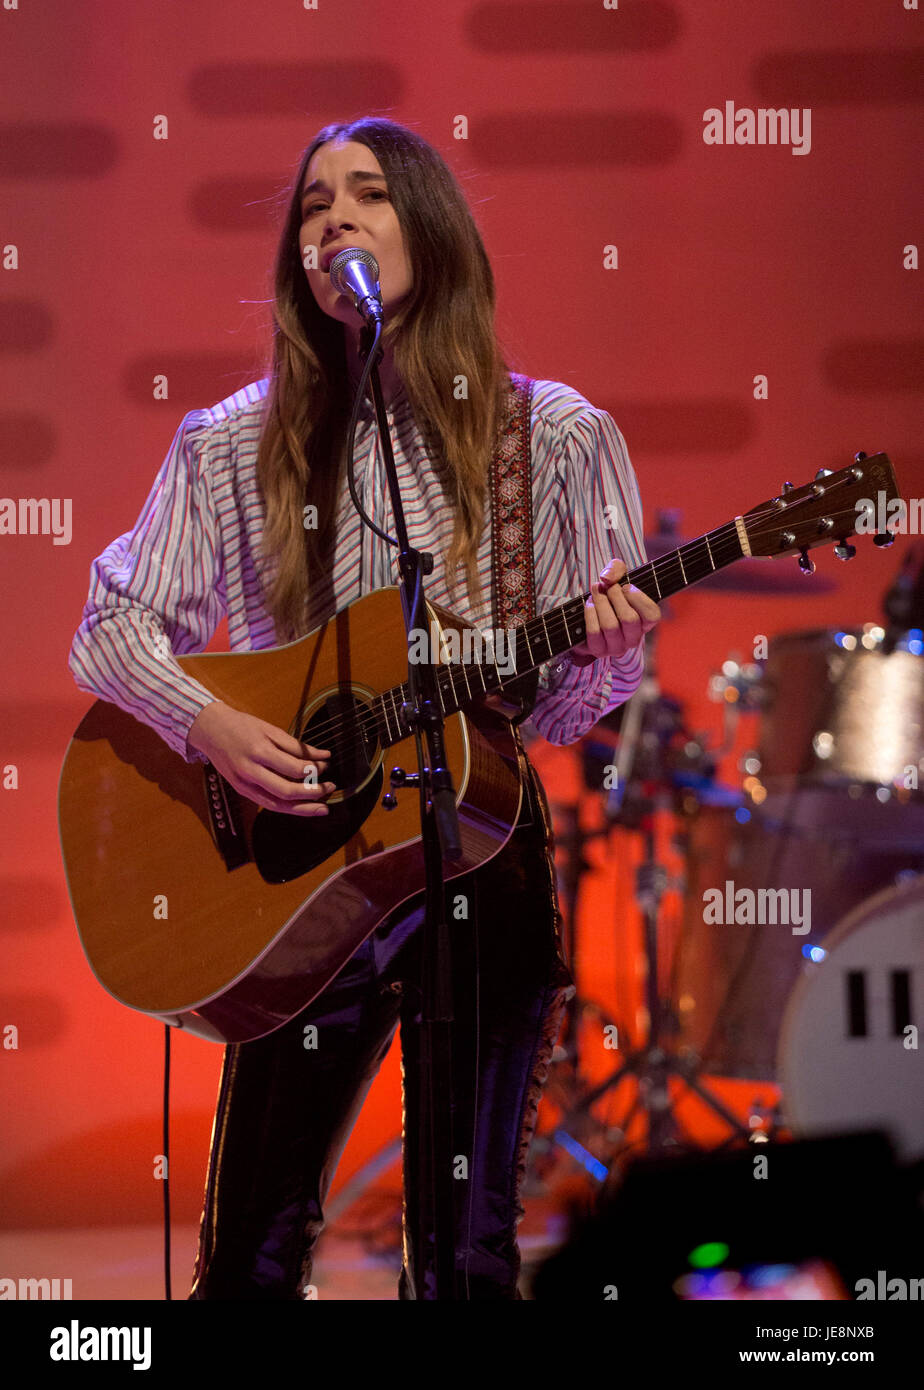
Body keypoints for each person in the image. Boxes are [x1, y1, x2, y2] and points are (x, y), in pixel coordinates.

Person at [68, 117, 660, 1300]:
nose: (331, 217)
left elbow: (557, 711)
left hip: (473, 857)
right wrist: (213, 725)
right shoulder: (232, 445)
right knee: (247, 1261)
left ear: (429, 229)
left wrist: (610, 648)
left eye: (369, 195)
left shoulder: (552, 438)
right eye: (310, 205)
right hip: (291, 876)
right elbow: (110, 629)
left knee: (463, 1259)